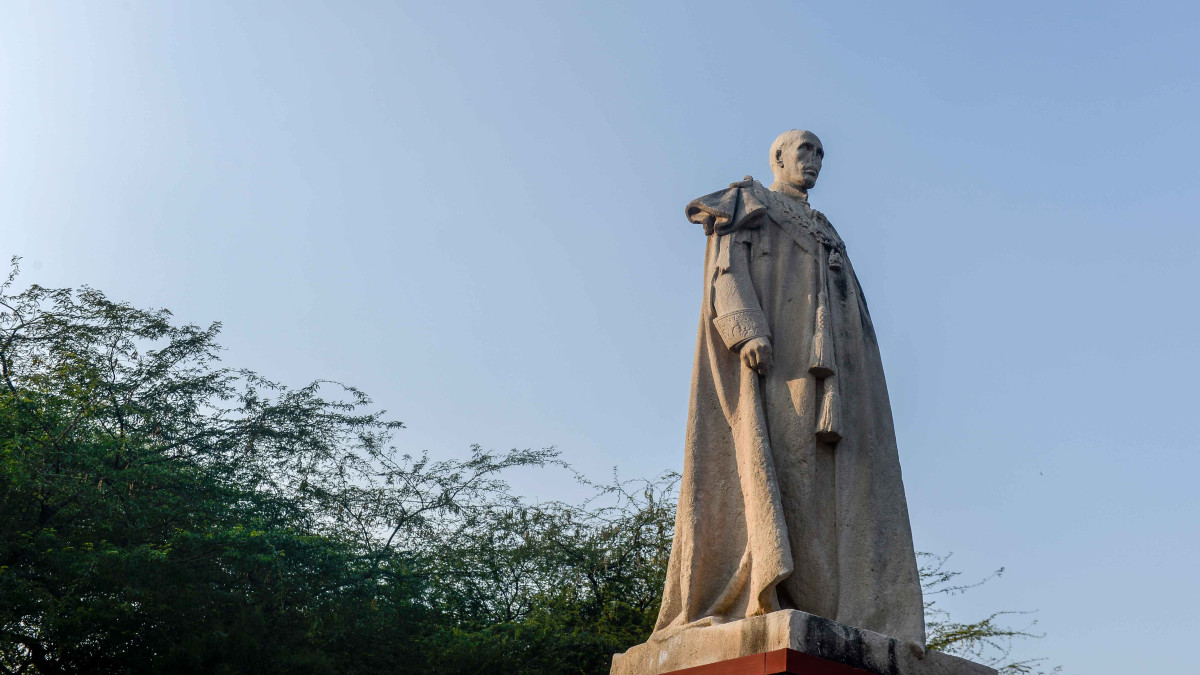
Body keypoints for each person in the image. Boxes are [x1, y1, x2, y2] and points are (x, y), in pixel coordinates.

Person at [653, 130, 926, 649]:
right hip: (778, 361)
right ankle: (772, 588)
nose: (815, 160)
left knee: (826, 487)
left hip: (832, 376)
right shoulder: (749, 202)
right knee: (780, 466)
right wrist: (746, 328)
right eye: (805, 150)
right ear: (778, 156)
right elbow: (725, 269)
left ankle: (829, 604)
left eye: (821, 152)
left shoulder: (824, 228)